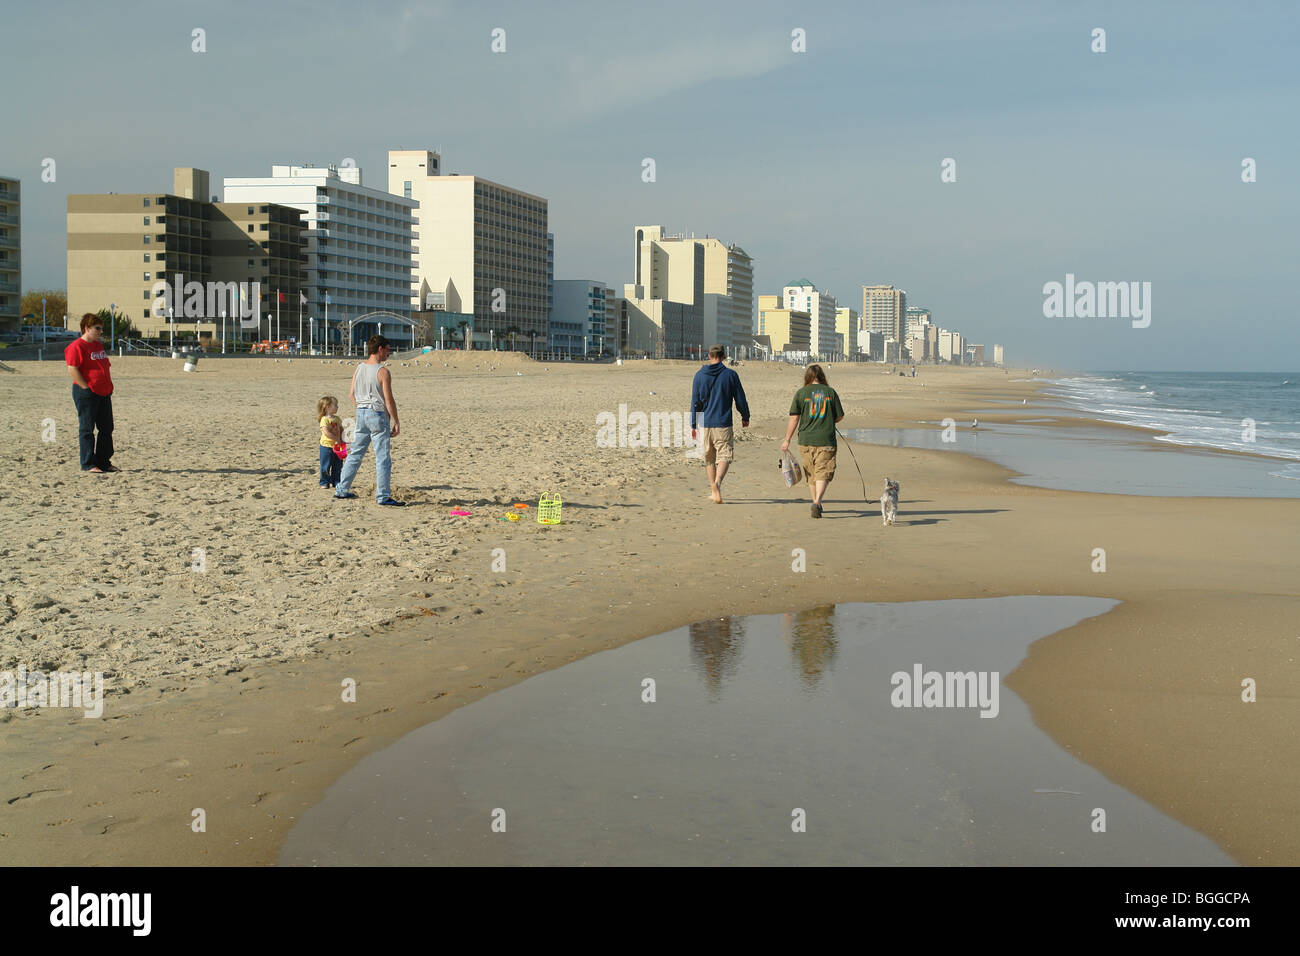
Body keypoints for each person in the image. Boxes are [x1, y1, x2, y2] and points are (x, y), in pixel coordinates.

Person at [333, 335, 404, 506]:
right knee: (382, 458)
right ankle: (383, 496)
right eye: (387, 349)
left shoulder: (359, 368)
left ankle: (342, 489)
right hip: (377, 414)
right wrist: (396, 421)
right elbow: (389, 400)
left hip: (361, 412)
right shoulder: (383, 371)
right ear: (380, 349)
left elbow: (351, 394)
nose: (389, 353)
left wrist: (361, 407)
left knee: (355, 454)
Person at [781, 364, 845, 518]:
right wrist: (829, 421)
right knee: (823, 471)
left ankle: (816, 501)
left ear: (808, 377)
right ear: (822, 376)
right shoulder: (830, 392)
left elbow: (794, 418)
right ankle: (817, 502)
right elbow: (840, 416)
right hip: (826, 439)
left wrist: (787, 439)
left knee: (811, 473)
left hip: (806, 439)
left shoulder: (801, 393)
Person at [689, 344, 750, 504]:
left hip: (705, 423)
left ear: (709, 356)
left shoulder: (699, 376)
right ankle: (717, 484)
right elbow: (740, 398)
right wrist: (745, 416)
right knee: (725, 455)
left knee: (709, 458)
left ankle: (713, 490)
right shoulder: (730, 375)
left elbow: (695, 402)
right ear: (723, 357)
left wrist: (693, 424)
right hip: (723, 422)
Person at [65, 313, 118, 473]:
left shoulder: (98, 345)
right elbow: (72, 368)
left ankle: (103, 462)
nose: (100, 331)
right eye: (97, 328)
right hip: (87, 393)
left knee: (106, 428)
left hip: (104, 392)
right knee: (87, 428)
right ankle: (88, 463)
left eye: (101, 328)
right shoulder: (76, 346)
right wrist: (85, 388)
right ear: (86, 328)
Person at [317, 395, 343, 488]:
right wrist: (336, 439)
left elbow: (341, 429)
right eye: (335, 405)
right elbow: (326, 432)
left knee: (337, 465)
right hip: (326, 446)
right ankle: (324, 482)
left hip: (338, 446)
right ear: (327, 407)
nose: (337, 407)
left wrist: (342, 439)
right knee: (326, 465)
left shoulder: (337, 419)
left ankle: (336, 481)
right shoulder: (324, 419)